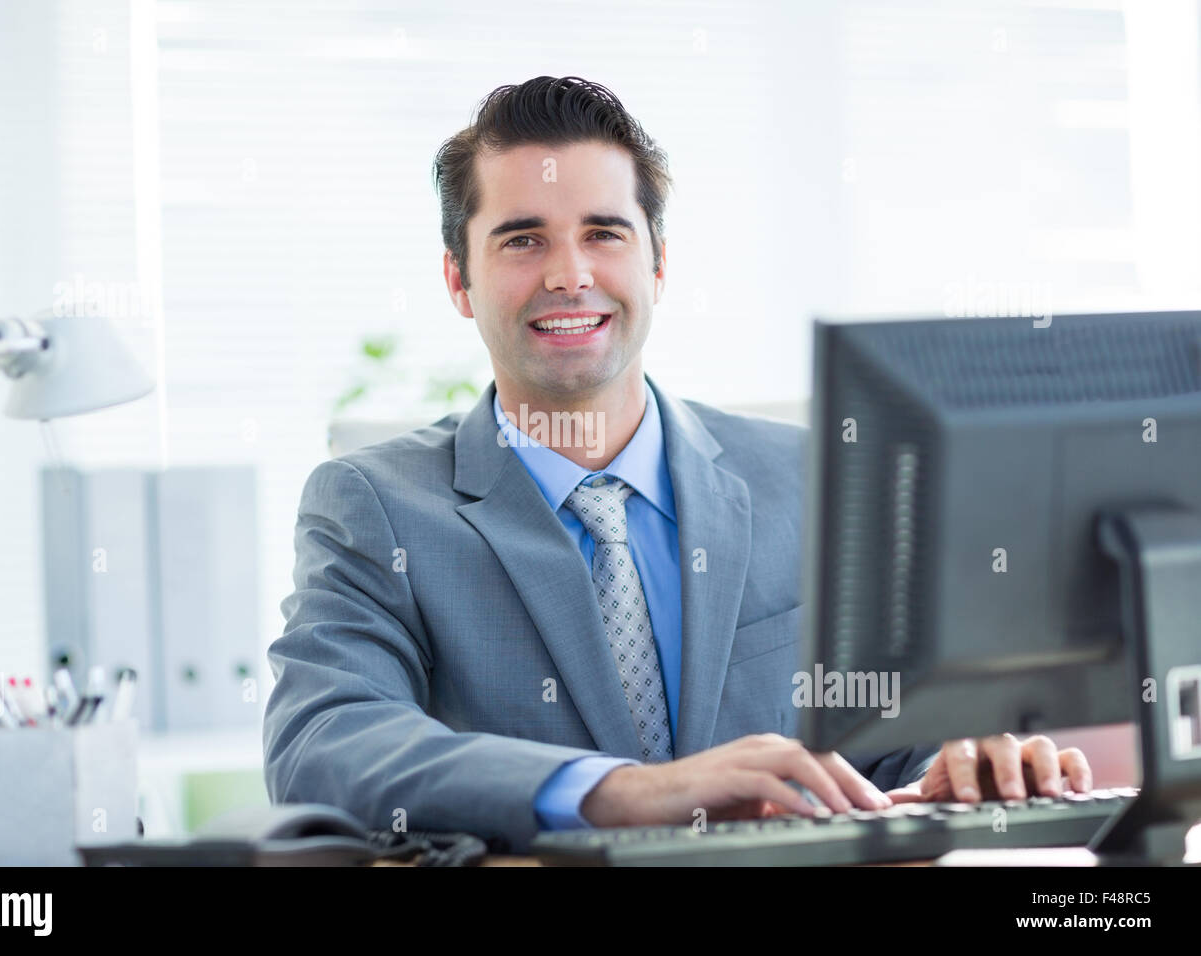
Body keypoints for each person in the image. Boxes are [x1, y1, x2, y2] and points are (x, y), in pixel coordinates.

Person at [262, 75, 1092, 854]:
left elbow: (883, 745)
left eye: (604, 233)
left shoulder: (811, 481)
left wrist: (951, 768)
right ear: (458, 279)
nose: (569, 274)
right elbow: (325, 741)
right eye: (522, 240)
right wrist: (616, 792)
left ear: (657, 262)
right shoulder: (375, 503)